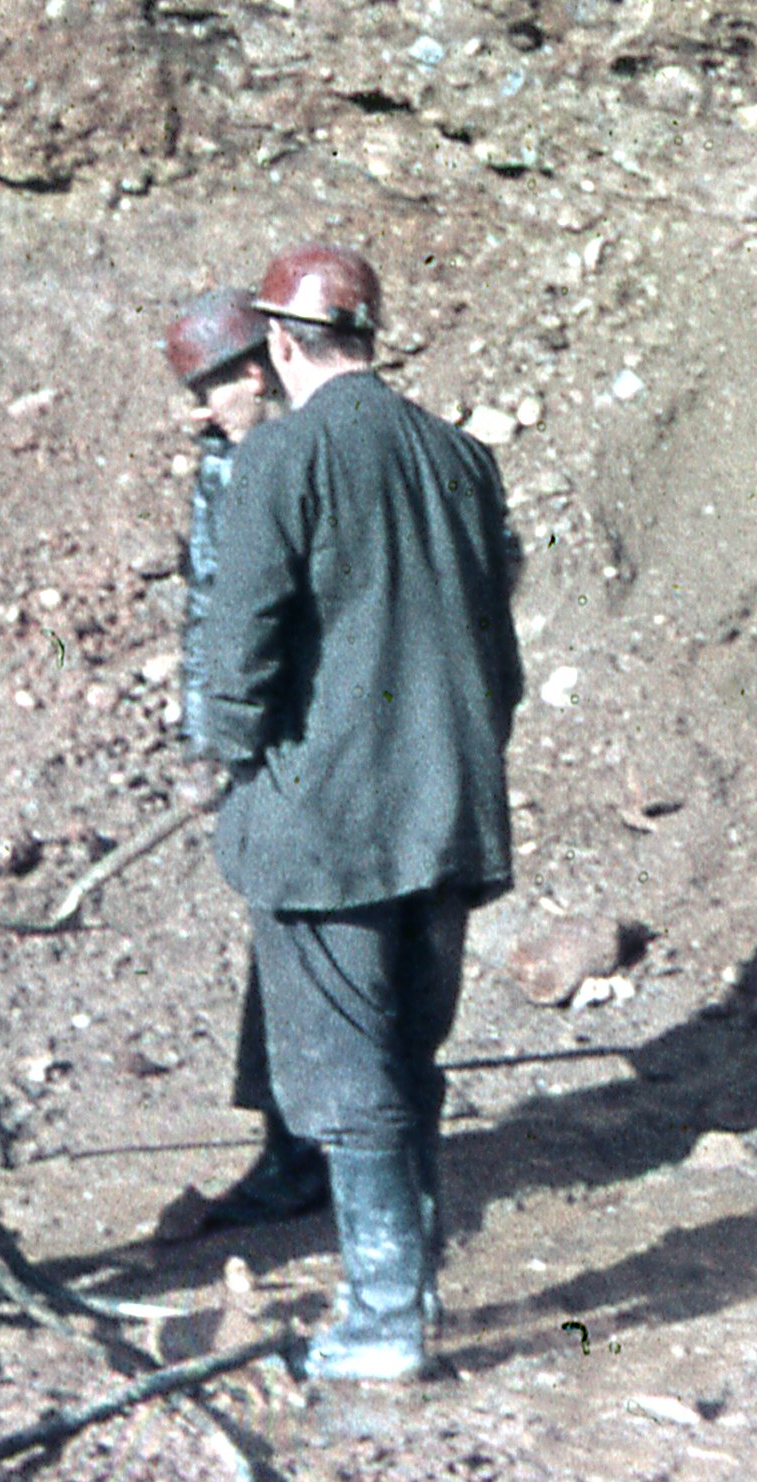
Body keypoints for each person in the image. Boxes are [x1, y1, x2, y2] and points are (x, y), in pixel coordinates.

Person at [191, 244, 522, 1382]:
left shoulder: (280, 457)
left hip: (328, 826)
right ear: (371, 338)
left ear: (278, 344)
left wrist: (232, 751)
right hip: (446, 815)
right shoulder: (460, 458)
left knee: (349, 1076)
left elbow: (237, 652)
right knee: (408, 1057)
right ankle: (408, 1283)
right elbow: (499, 659)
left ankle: (385, 1319)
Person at [151, 288, 333, 1242]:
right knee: (286, 938)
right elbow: (211, 617)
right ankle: (298, 1145)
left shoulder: (317, 457)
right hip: (277, 749)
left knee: (315, 941)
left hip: (317, 751)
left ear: (257, 371)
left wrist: (232, 732)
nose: (200, 411)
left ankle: (312, 1156)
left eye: (211, 389)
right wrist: (213, 739)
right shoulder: (235, 462)